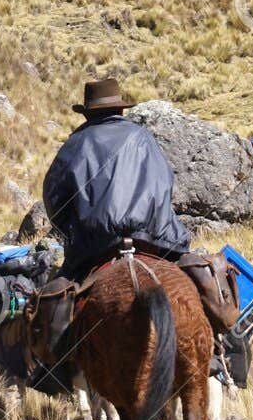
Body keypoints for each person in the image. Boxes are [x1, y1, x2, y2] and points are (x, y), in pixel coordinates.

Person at [42, 77, 190, 281]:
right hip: (156, 241)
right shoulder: (142, 137)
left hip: (95, 246)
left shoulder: (76, 142)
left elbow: (54, 198)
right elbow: (165, 183)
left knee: (53, 300)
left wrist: (73, 231)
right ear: (120, 110)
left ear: (87, 113)